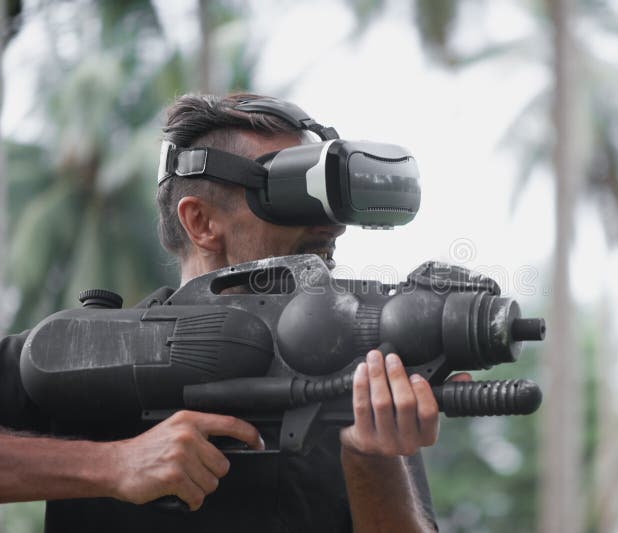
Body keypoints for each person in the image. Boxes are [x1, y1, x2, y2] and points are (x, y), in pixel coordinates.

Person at [0, 93, 468, 532]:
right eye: (291, 195)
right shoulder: (78, 352)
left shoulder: (355, 362)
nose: (331, 226)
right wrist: (112, 464)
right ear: (201, 221)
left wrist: (372, 459)